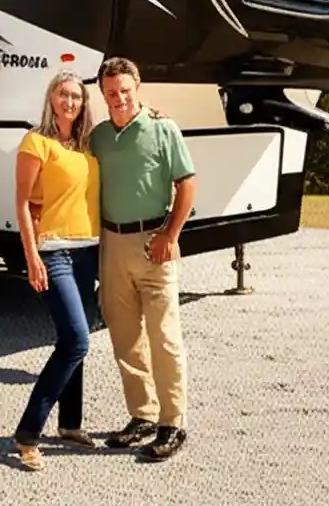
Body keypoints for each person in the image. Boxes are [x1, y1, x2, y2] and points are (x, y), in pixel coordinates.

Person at [90, 56, 196, 463]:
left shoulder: (163, 129)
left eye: (125, 91)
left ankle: (173, 423)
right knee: (124, 337)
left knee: (164, 337)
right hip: (112, 243)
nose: (118, 99)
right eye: (111, 93)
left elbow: (186, 184)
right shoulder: (98, 137)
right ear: (103, 94)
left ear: (138, 89)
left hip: (154, 241)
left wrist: (171, 233)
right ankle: (143, 416)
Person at [10, 69, 102, 471]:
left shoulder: (87, 147)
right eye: (63, 95)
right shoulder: (37, 142)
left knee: (78, 337)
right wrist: (31, 257)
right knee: (76, 341)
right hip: (54, 253)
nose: (70, 102)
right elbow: (21, 204)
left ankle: (70, 424)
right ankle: (27, 434)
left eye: (77, 96)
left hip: (88, 253)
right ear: (52, 100)